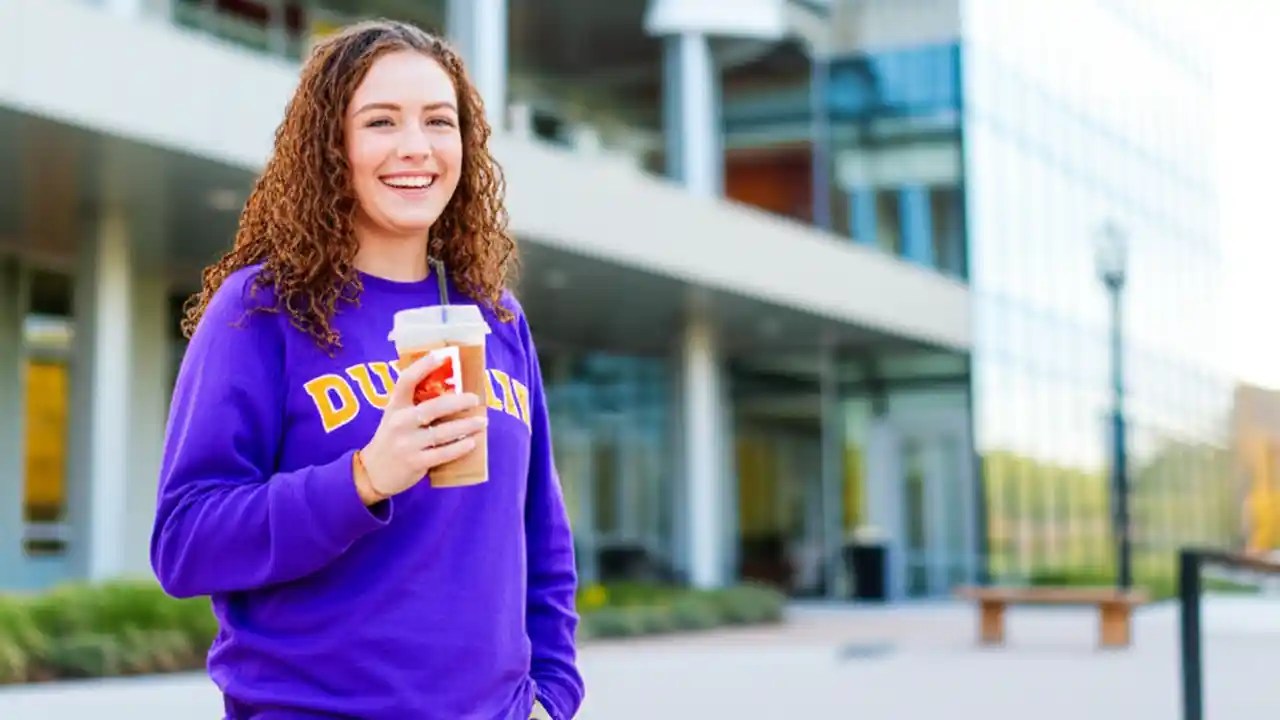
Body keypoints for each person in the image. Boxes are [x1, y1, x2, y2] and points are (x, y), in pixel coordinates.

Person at [150, 19, 584, 720]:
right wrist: (364, 478)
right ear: (333, 147)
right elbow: (185, 541)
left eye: (439, 122)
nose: (416, 147)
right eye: (381, 121)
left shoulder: (496, 319)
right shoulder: (263, 311)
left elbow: (542, 540)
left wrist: (552, 699)